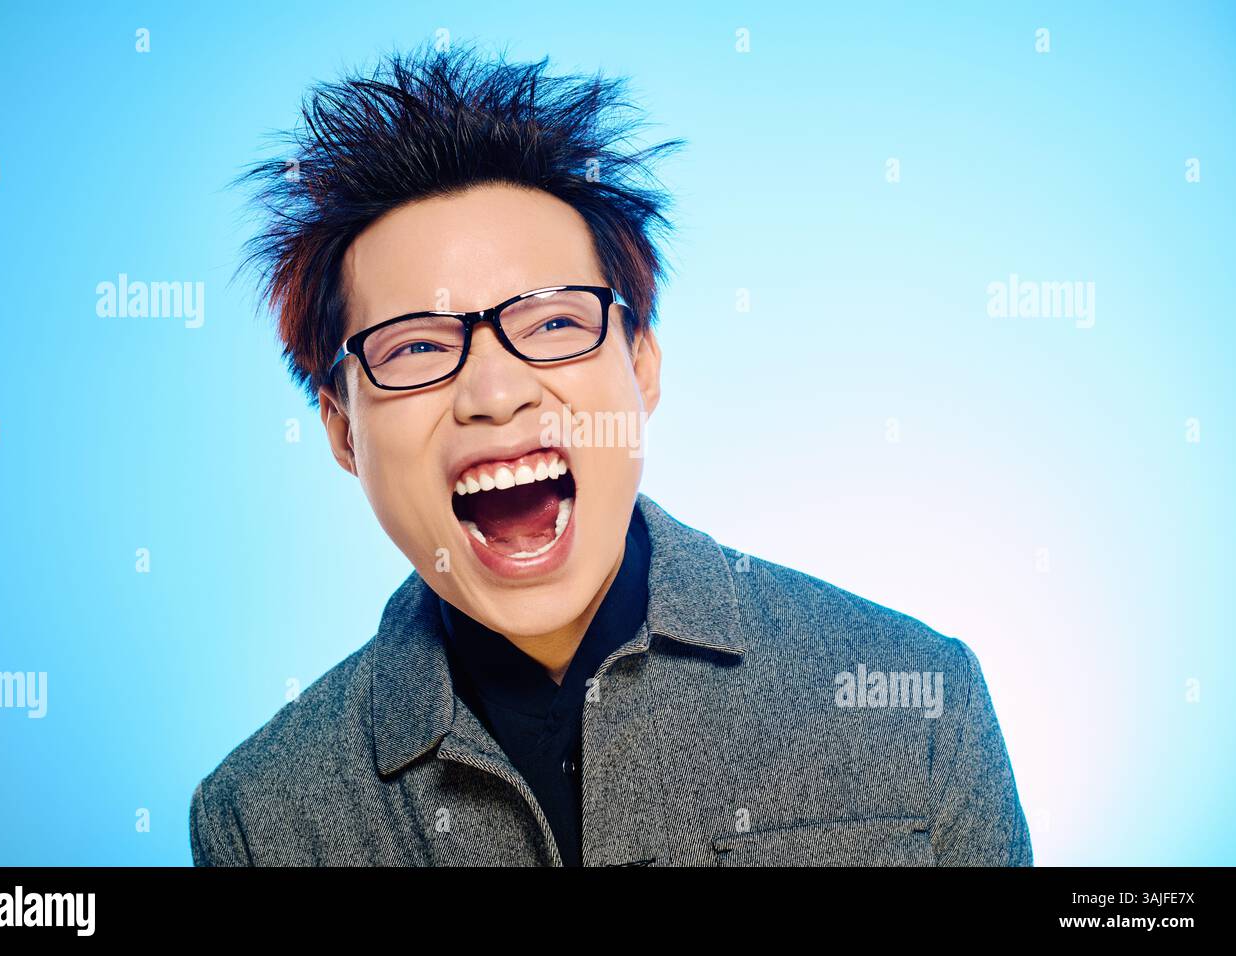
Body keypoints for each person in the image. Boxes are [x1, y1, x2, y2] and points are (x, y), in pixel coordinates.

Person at [188, 41, 1032, 867]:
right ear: (341, 428)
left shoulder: (916, 699)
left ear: (641, 365)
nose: (494, 392)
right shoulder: (260, 821)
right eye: (414, 347)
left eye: (555, 324)